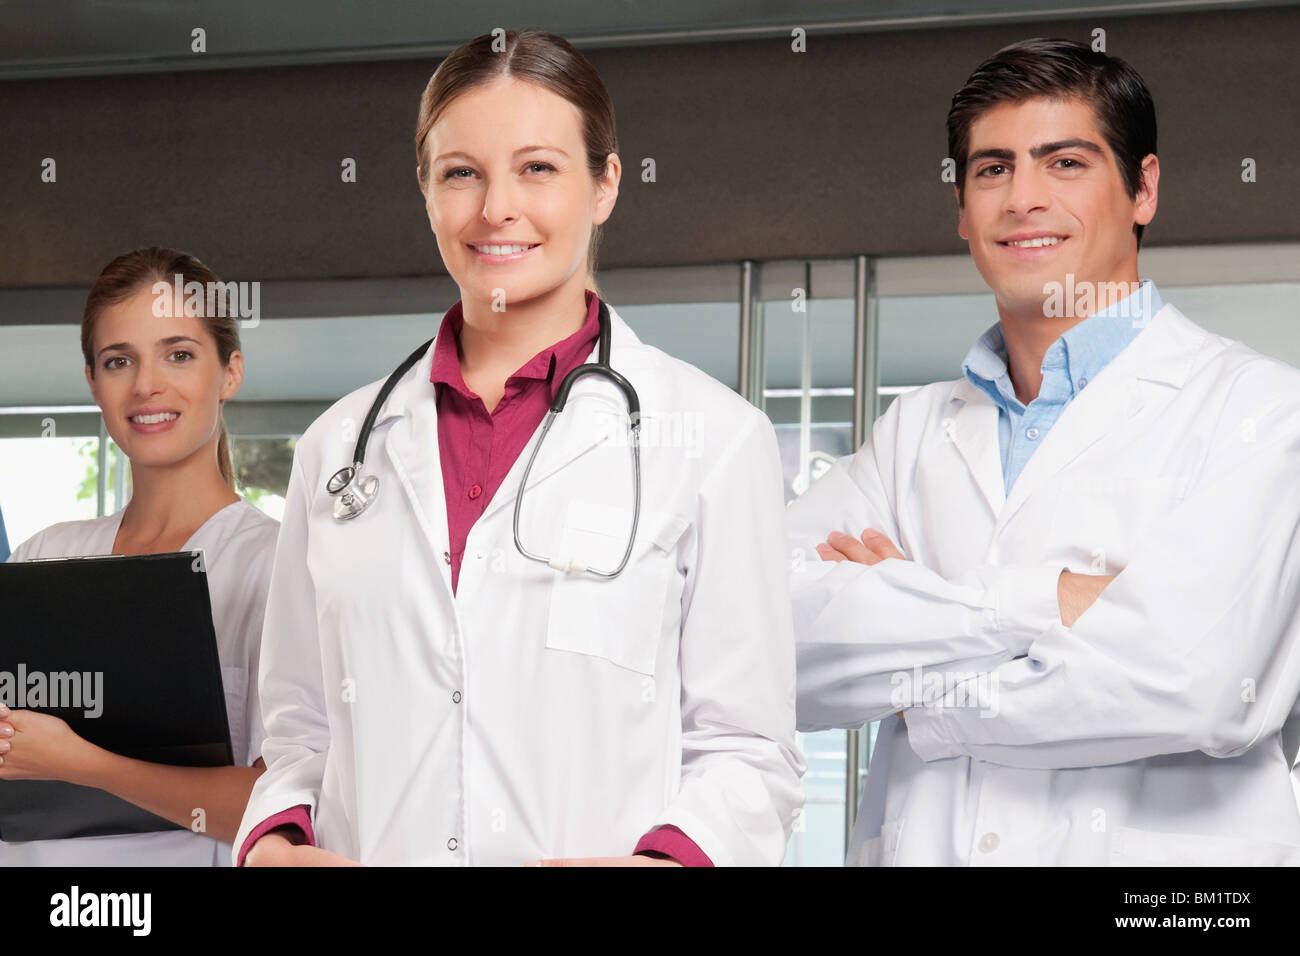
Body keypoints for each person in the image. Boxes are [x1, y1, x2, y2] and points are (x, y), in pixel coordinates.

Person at [236, 29, 804, 868]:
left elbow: (751, 751)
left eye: (537, 168)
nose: (496, 207)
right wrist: (277, 846)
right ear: (427, 193)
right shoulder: (337, 450)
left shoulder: (714, 440)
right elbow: (298, 729)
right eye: (461, 173)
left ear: (606, 184)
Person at [788, 38, 1300, 866]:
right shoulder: (911, 432)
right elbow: (772, 648)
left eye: (1064, 162)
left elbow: (1196, 683)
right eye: (992, 170)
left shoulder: (1263, 414)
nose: (1023, 198)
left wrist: (913, 663)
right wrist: (1050, 604)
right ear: (962, 209)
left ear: (1144, 188)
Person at [0, 247, 279, 866]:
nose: (146, 384)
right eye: (118, 361)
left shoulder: (280, 567)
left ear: (230, 371)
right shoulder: (40, 559)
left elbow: (279, 802)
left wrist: (83, 763)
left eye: (179, 354)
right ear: (93, 384)